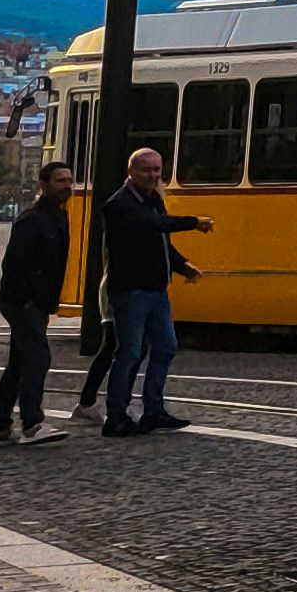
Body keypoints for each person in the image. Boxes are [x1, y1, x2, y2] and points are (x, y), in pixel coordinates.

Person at [95, 145, 207, 435]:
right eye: (147, 170)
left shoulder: (152, 199)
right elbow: (152, 226)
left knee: (165, 346)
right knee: (130, 352)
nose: (153, 175)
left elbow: (161, 241)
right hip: (131, 290)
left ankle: (153, 410)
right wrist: (193, 223)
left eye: (157, 170)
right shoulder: (119, 204)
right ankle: (116, 415)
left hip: (155, 289)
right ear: (131, 171)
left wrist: (182, 266)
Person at [0, 163, 78, 445]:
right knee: (37, 357)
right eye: (60, 180)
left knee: (20, 362)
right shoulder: (33, 220)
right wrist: (27, 299)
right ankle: (32, 424)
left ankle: (0, 427)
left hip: (34, 300)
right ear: (43, 184)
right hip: (23, 301)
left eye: (69, 180)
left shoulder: (57, 217)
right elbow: (14, 264)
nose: (67, 186)